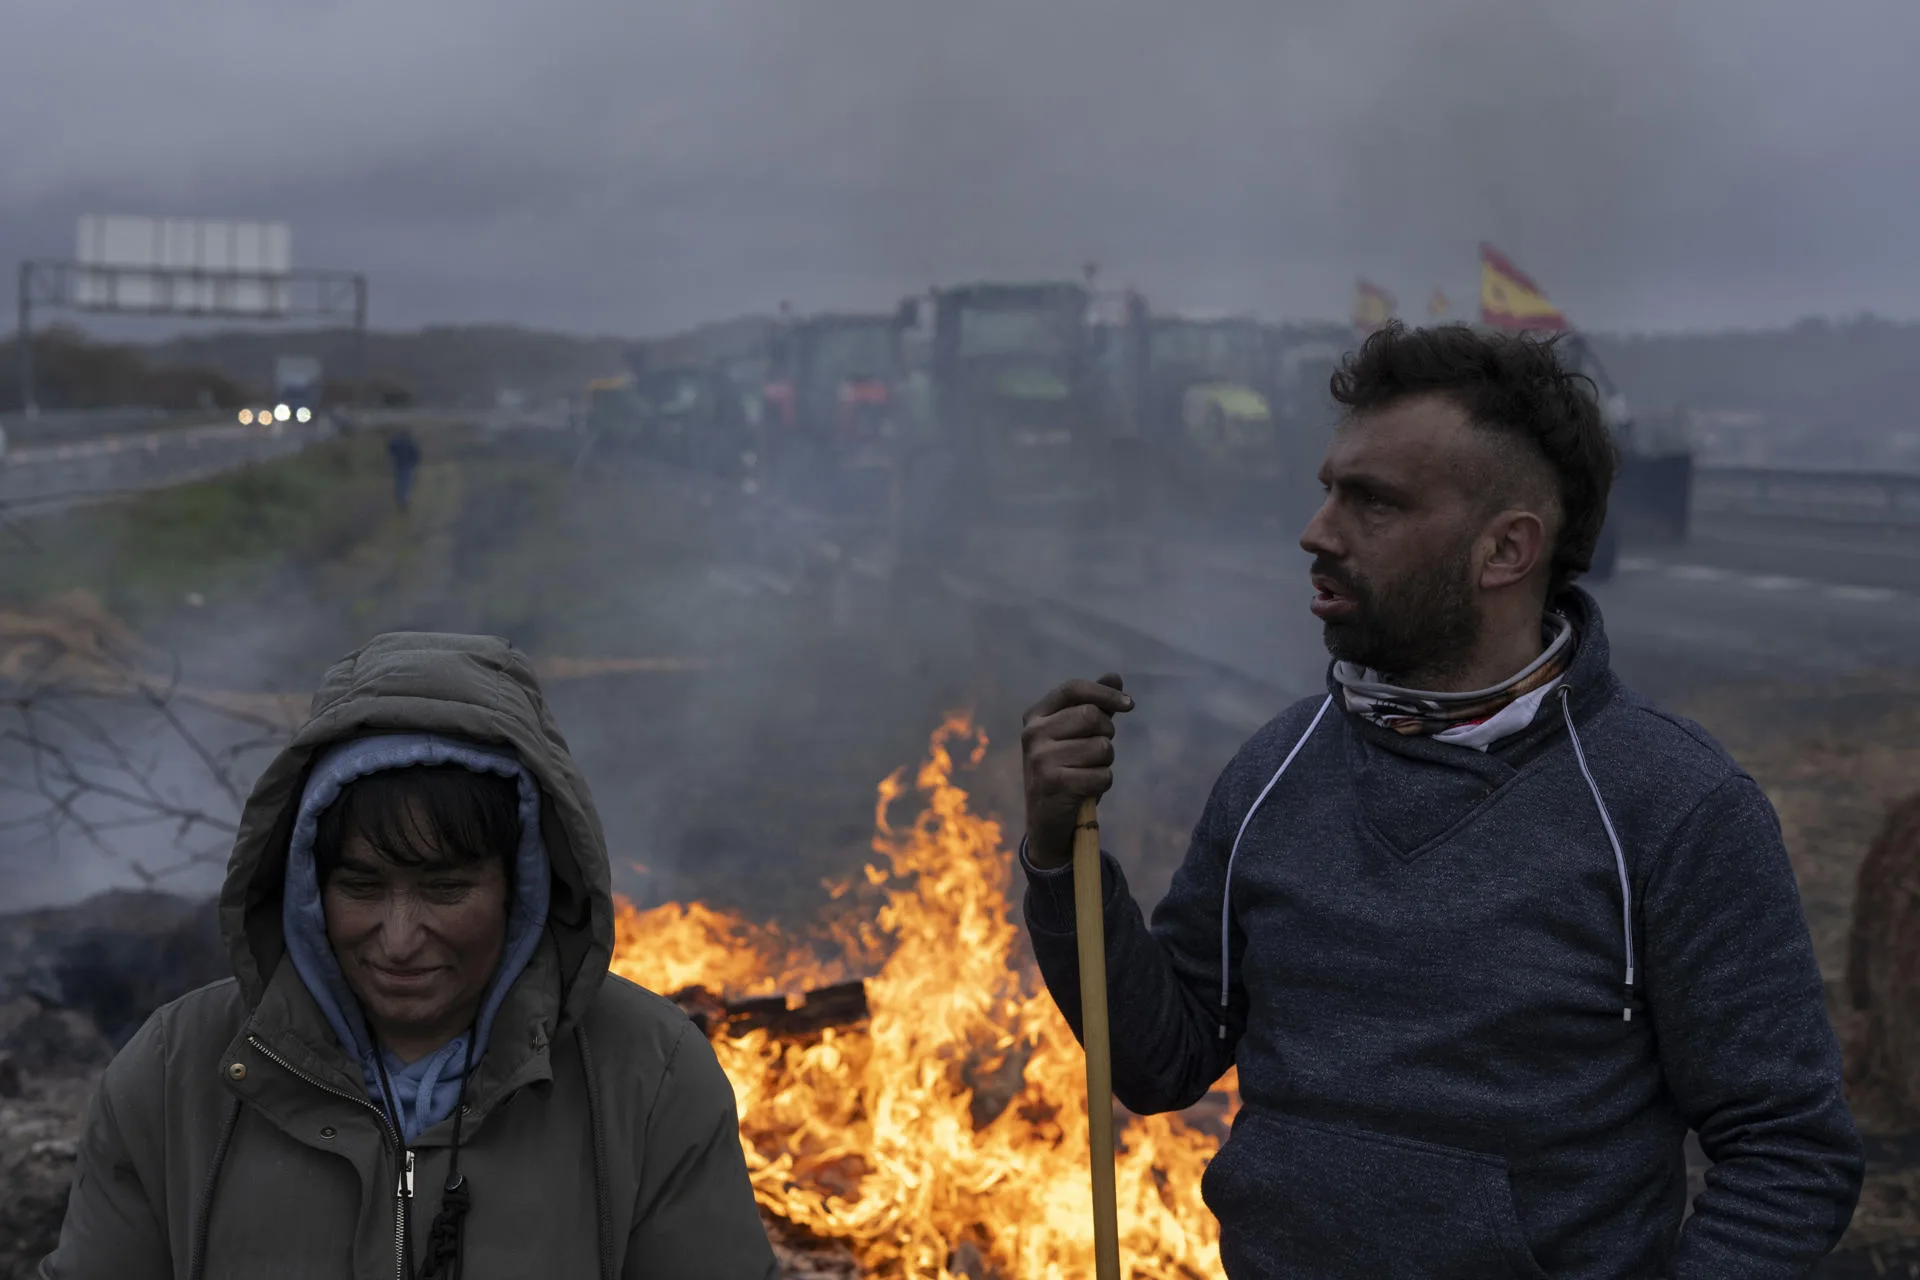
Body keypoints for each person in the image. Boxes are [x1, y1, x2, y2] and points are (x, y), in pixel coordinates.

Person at [1019, 322, 1863, 1279]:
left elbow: (1791, 1155)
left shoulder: (1672, 807)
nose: (1317, 530)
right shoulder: (1276, 771)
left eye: (1372, 503)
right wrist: (1059, 859)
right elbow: (1159, 1061)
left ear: (1505, 549)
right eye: (1329, 488)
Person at [42, 631, 777, 1279]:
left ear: (521, 885)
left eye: (445, 888)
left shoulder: (649, 1077)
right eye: (360, 886)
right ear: (306, 884)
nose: (397, 938)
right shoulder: (175, 1075)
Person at [389, 427, 422, 511]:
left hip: (399, 465)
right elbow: (416, 454)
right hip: (407, 465)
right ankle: (404, 501)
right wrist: (414, 463)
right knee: (406, 484)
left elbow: (391, 449)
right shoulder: (410, 443)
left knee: (400, 484)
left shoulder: (397, 443)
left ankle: (400, 500)